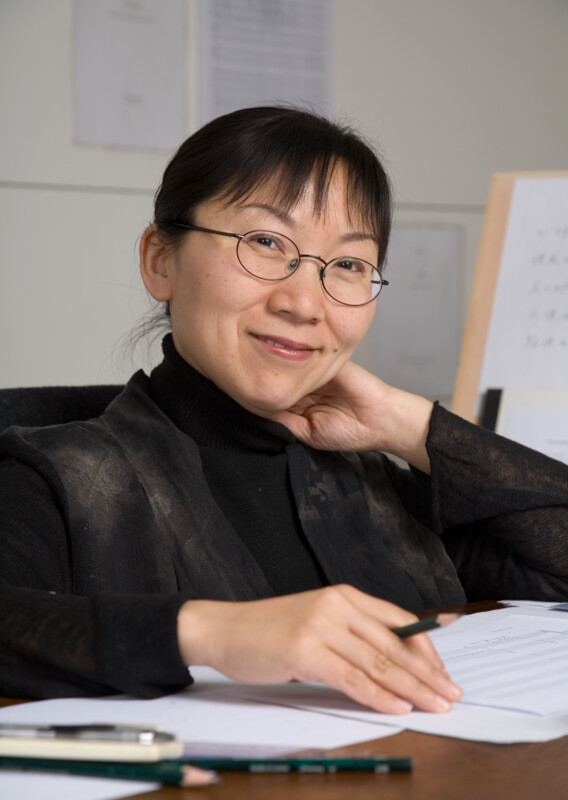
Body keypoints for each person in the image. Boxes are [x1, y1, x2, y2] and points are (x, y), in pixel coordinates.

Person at [1, 107, 568, 714]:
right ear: (160, 260)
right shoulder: (54, 480)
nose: (304, 303)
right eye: (266, 243)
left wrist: (412, 426)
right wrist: (218, 633)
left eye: (348, 264)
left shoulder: (374, 489)